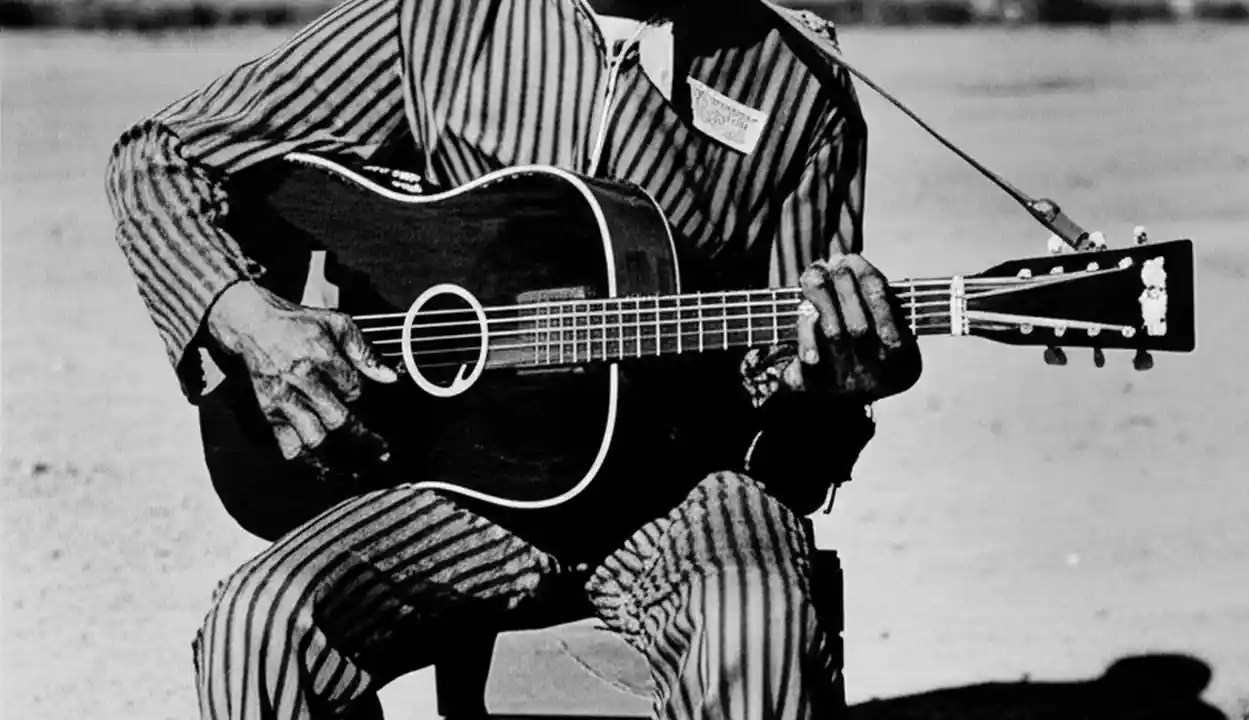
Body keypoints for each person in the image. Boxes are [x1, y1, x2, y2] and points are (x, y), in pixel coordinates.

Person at [105, 0, 922, 717]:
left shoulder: (801, 79)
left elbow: (799, 449)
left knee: (759, 622)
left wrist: (823, 390)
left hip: (685, 493)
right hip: (463, 488)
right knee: (262, 624)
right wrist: (255, 324)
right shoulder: (439, 19)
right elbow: (158, 160)